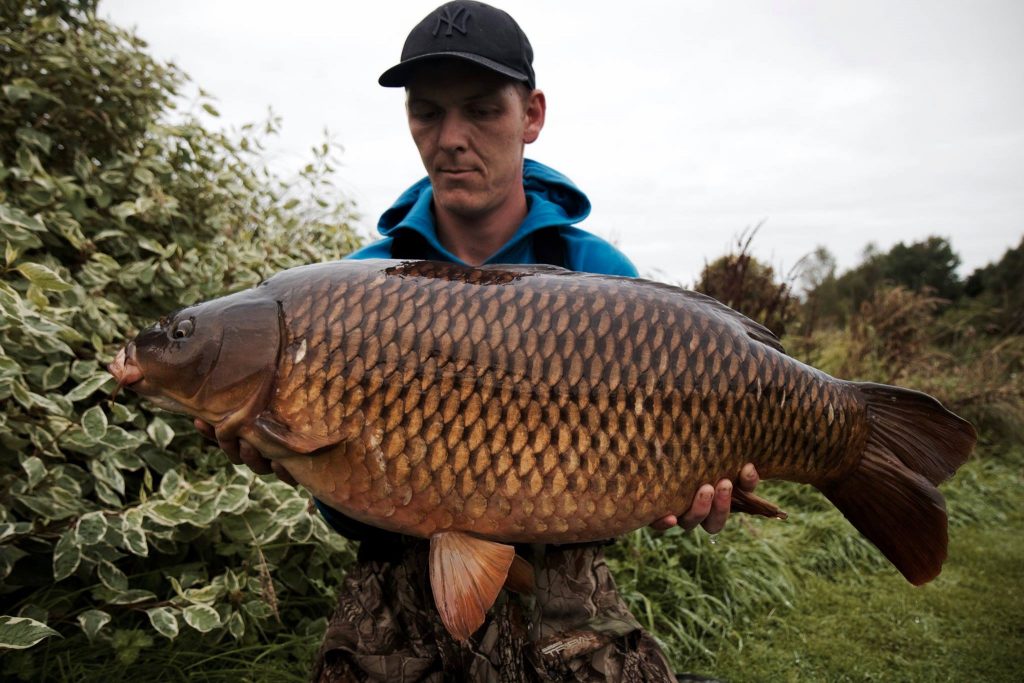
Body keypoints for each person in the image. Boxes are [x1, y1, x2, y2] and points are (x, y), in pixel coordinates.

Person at [199, 2, 760, 680]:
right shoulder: (353, 287)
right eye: (428, 112)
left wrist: (694, 484)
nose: (451, 137)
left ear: (531, 115)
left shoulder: (602, 279)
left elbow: (622, 498)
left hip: (562, 585)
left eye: (482, 110)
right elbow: (352, 510)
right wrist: (287, 455)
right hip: (398, 581)